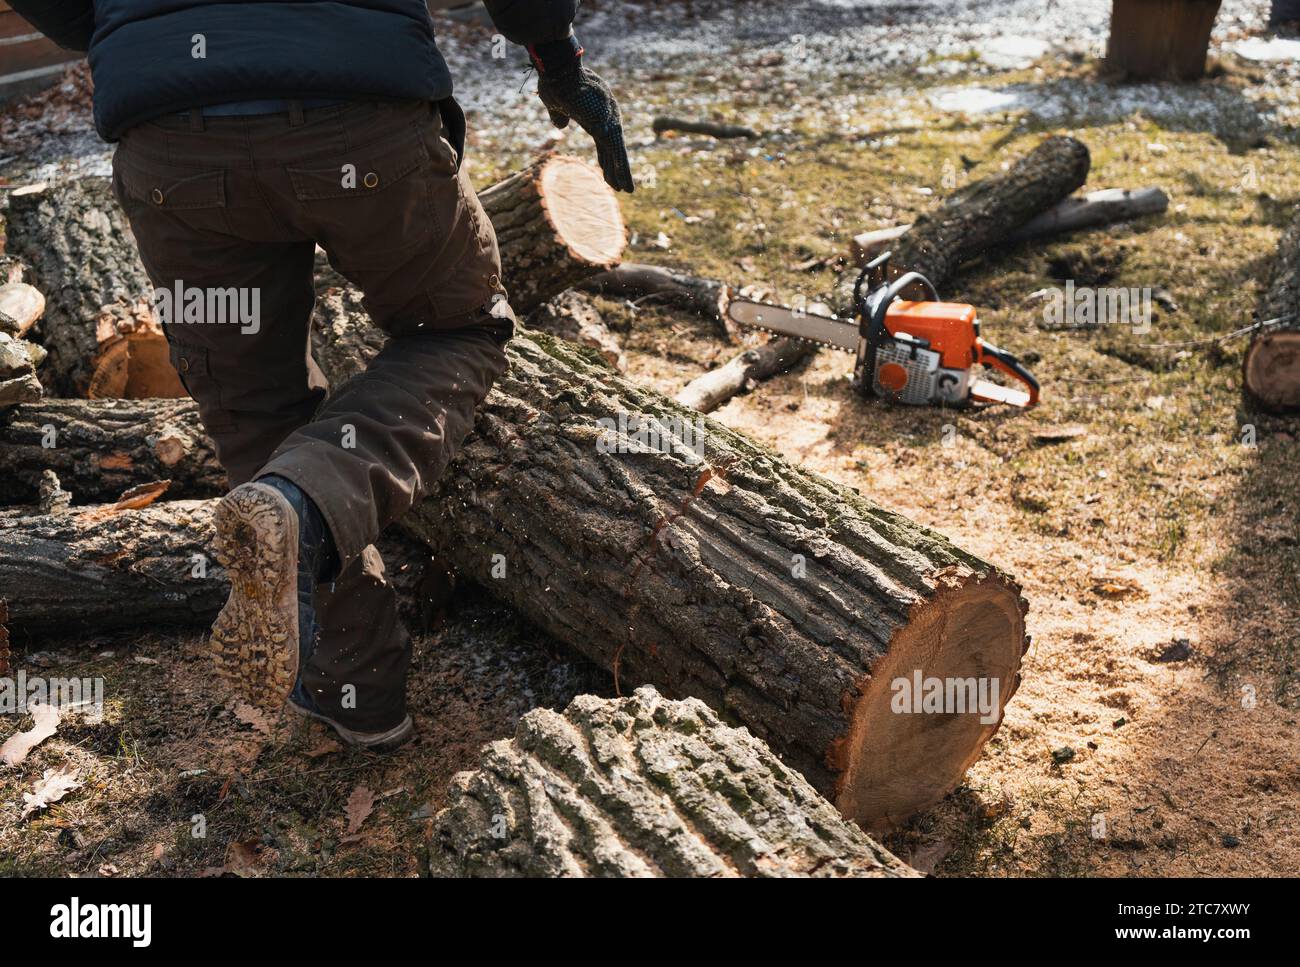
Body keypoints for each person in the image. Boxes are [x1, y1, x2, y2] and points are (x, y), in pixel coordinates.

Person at [11, 0, 632, 750]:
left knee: (252, 406)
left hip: (171, 146)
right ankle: (301, 499)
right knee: (458, 328)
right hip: (358, 115)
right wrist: (555, 59)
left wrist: (134, 27)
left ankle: (357, 691)